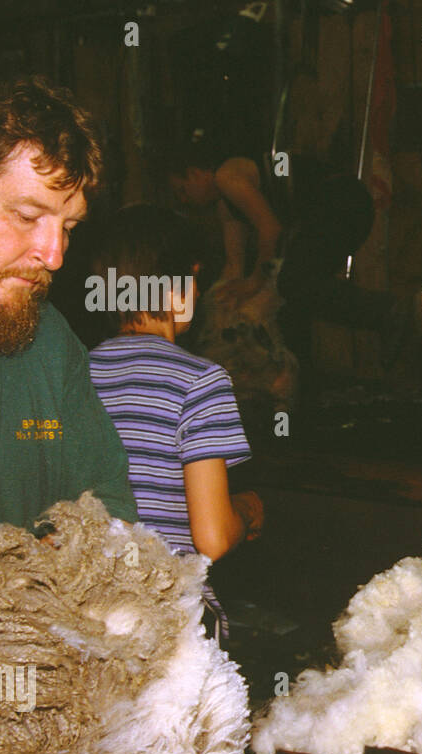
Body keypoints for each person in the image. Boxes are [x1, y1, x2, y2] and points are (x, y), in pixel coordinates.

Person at [0, 76, 137, 529]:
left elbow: (106, 506)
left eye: (69, 227)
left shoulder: (47, 337)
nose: (55, 256)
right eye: (27, 216)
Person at [87, 204, 263, 636]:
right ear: (175, 288)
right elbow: (213, 538)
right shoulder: (200, 382)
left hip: (85, 611)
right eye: (196, 279)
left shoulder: (74, 372)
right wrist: (248, 511)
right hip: (168, 621)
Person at [167, 141, 283, 308]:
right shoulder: (224, 205)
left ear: (194, 174)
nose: (184, 200)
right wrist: (213, 302)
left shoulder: (226, 177)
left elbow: (271, 231)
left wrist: (254, 283)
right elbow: (234, 266)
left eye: (182, 190)